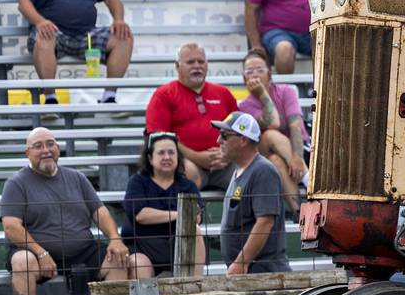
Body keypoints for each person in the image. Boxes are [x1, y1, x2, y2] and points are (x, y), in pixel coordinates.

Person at [1, 127, 136, 295]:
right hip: (36, 253)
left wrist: (114, 239)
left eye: (50, 144)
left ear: (58, 148)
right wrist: (41, 253)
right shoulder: (16, 183)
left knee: (118, 259)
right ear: (27, 153)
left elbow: (100, 212)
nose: (46, 150)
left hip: (83, 252)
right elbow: (11, 227)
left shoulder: (77, 177)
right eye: (38, 146)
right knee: (21, 261)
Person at [145, 43, 239, 191]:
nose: (197, 66)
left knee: (250, 173)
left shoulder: (223, 93)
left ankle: (253, 214)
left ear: (207, 65)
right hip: (185, 162)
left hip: (224, 163)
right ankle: (187, 215)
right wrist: (197, 157)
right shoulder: (164, 94)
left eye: (201, 62)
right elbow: (159, 138)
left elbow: (239, 131)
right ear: (177, 66)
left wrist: (227, 154)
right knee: (188, 173)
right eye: (190, 62)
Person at [214, 111, 292, 275]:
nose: (218, 140)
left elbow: (265, 222)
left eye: (224, 135)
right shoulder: (241, 170)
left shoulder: (263, 171)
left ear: (243, 139)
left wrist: (241, 262)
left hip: (264, 273)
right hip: (252, 272)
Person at [121, 131, 205, 278]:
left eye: (171, 153)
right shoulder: (137, 182)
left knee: (195, 230)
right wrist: (179, 214)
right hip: (143, 247)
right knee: (138, 264)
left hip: (179, 246)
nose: (167, 157)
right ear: (150, 158)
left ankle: (193, 288)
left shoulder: (188, 186)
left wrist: (186, 216)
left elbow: (196, 219)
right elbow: (140, 215)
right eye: (161, 153)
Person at [236, 47, 307, 208]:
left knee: (276, 160)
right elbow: (272, 122)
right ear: (244, 77)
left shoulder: (286, 91)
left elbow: (295, 126)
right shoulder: (245, 106)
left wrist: (296, 158)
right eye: (249, 71)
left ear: (269, 74)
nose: (254, 75)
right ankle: (309, 182)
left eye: (259, 70)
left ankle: (298, 211)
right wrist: (262, 94)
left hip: (298, 150)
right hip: (266, 150)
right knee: (269, 135)